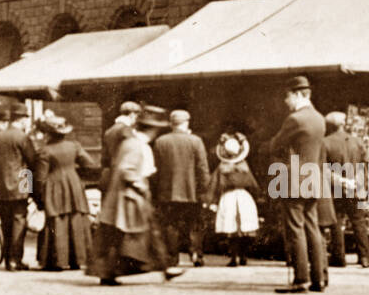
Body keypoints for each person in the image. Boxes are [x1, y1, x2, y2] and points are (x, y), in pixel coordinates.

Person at [89, 105, 182, 285]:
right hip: (129, 197)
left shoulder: (129, 141)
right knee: (141, 234)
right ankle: (163, 268)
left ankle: (162, 268)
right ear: (152, 129)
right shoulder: (136, 145)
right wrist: (140, 185)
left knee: (126, 235)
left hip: (122, 197)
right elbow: (127, 170)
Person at [270, 75, 329, 294]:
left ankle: (300, 279)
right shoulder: (319, 118)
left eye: (288, 96)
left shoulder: (295, 119)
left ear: (297, 94)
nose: (286, 101)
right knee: (312, 227)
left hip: (294, 179)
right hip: (313, 178)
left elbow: (276, 144)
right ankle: (319, 279)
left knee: (295, 229)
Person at [151, 109, 211, 267]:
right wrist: (205, 191)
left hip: (167, 193)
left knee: (170, 225)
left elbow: (155, 170)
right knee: (195, 225)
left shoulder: (160, 141)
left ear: (171, 124)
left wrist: (155, 192)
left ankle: (172, 258)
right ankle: (196, 254)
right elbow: (202, 168)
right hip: (191, 193)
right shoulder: (196, 141)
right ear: (187, 123)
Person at [32, 114, 92, 270]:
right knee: (76, 218)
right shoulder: (75, 146)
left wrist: (37, 197)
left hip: (54, 187)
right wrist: (78, 177)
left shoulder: (44, 151)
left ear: (48, 133)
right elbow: (89, 164)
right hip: (74, 184)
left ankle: (57, 260)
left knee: (57, 220)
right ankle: (78, 259)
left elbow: (39, 178)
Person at [322, 111, 369, 268]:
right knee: (358, 221)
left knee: (336, 221)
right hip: (356, 186)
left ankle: (339, 257)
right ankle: (365, 258)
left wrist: (339, 181)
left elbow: (323, 168)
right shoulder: (357, 141)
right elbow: (367, 165)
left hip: (336, 187)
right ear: (343, 124)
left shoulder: (325, 143)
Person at [0, 103, 36, 271]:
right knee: (19, 222)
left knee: (6, 223)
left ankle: (8, 259)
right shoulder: (22, 137)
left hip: (1, 187)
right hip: (21, 185)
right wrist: (31, 188)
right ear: (21, 119)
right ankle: (16, 259)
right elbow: (32, 162)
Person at [208, 133, 261, 266]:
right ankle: (243, 256)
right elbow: (253, 185)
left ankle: (234, 257)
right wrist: (258, 197)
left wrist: (211, 200)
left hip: (228, 197)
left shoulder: (221, 168)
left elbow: (214, 184)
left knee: (231, 228)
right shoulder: (245, 168)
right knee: (244, 228)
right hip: (243, 197)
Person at [101, 101, 141, 187]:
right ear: (132, 114)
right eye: (137, 115)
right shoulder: (126, 130)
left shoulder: (110, 130)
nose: (136, 119)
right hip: (124, 175)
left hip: (113, 171)